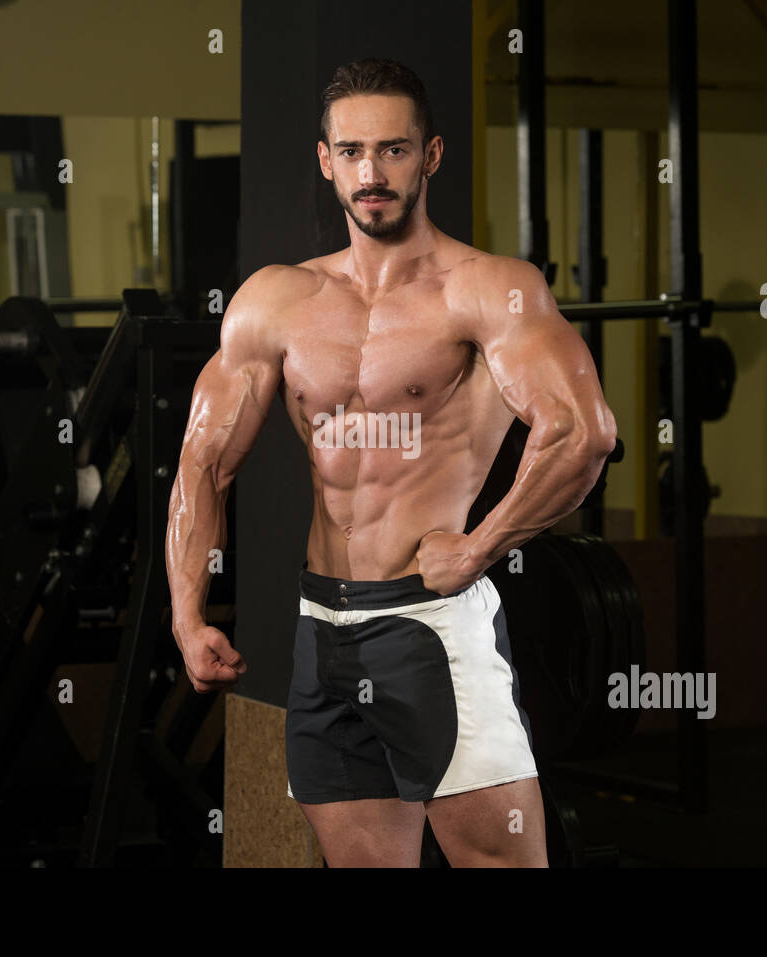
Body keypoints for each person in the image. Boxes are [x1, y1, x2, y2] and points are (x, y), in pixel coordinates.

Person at [165, 58, 616, 867]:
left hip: (430, 625)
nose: (371, 174)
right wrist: (187, 613)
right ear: (325, 160)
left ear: (432, 155)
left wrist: (481, 547)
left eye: (394, 151)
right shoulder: (277, 299)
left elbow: (583, 433)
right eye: (353, 152)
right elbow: (203, 459)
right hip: (322, 629)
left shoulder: (487, 291)